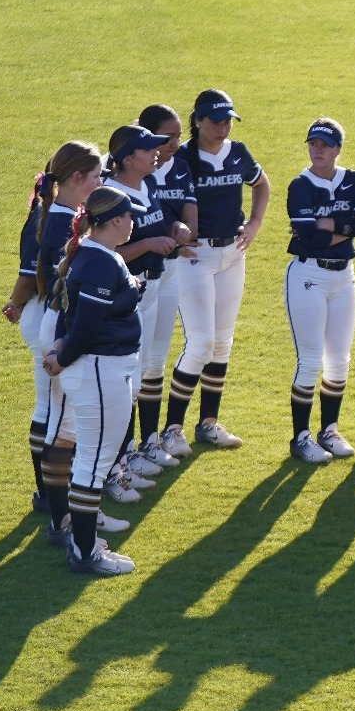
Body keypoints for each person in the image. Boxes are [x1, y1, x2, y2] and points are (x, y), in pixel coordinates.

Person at [42, 189, 147, 577]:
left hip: (91, 369)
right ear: (116, 220)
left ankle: (73, 537)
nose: (133, 221)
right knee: (93, 465)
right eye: (129, 215)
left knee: (82, 455)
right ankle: (86, 554)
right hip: (100, 371)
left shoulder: (87, 253)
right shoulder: (101, 264)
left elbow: (67, 316)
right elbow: (85, 327)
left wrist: (57, 350)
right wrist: (62, 357)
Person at [163, 88, 268, 452]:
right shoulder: (184, 157)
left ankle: (208, 422)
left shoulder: (237, 153)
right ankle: (172, 429)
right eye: (216, 121)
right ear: (198, 122)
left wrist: (254, 223)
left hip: (232, 255)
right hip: (195, 257)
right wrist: (174, 235)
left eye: (228, 121)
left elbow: (261, 183)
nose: (224, 127)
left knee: (222, 342)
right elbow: (163, 197)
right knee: (202, 342)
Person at [0, 141, 99, 520]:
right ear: (76, 177)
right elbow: (29, 276)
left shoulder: (62, 214)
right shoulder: (58, 221)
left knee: (55, 407)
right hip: (47, 318)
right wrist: (15, 302)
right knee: (54, 409)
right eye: (95, 176)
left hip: (45, 314)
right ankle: (49, 493)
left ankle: (51, 490)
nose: (99, 182)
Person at [95, 123, 180, 505]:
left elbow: (159, 221)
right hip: (130, 293)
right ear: (127, 158)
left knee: (147, 370)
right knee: (127, 383)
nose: (157, 153)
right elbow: (104, 253)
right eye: (149, 150)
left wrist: (173, 228)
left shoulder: (150, 185)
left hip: (155, 284)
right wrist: (148, 242)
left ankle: (133, 454)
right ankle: (120, 464)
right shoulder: (111, 195)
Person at [283, 118, 355, 463]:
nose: (317, 150)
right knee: (310, 359)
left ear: (338, 149)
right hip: (308, 276)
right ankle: (301, 437)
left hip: (344, 277)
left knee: (339, 360)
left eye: (325, 145)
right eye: (313, 143)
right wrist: (346, 228)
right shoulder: (300, 186)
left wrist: (332, 225)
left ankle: (328, 430)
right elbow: (311, 238)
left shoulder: (354, 181)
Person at [130, 103, 196, 471]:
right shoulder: (123, 179)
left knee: (155, 363)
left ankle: (150, 442)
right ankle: (125, 456)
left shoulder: (160, 172)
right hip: (138, 282)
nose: (170, 146)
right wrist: (153, 242)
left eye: (174, 138)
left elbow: (171, 221)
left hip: (167, 274)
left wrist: (175, 232)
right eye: (163, 138)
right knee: (134, 369)